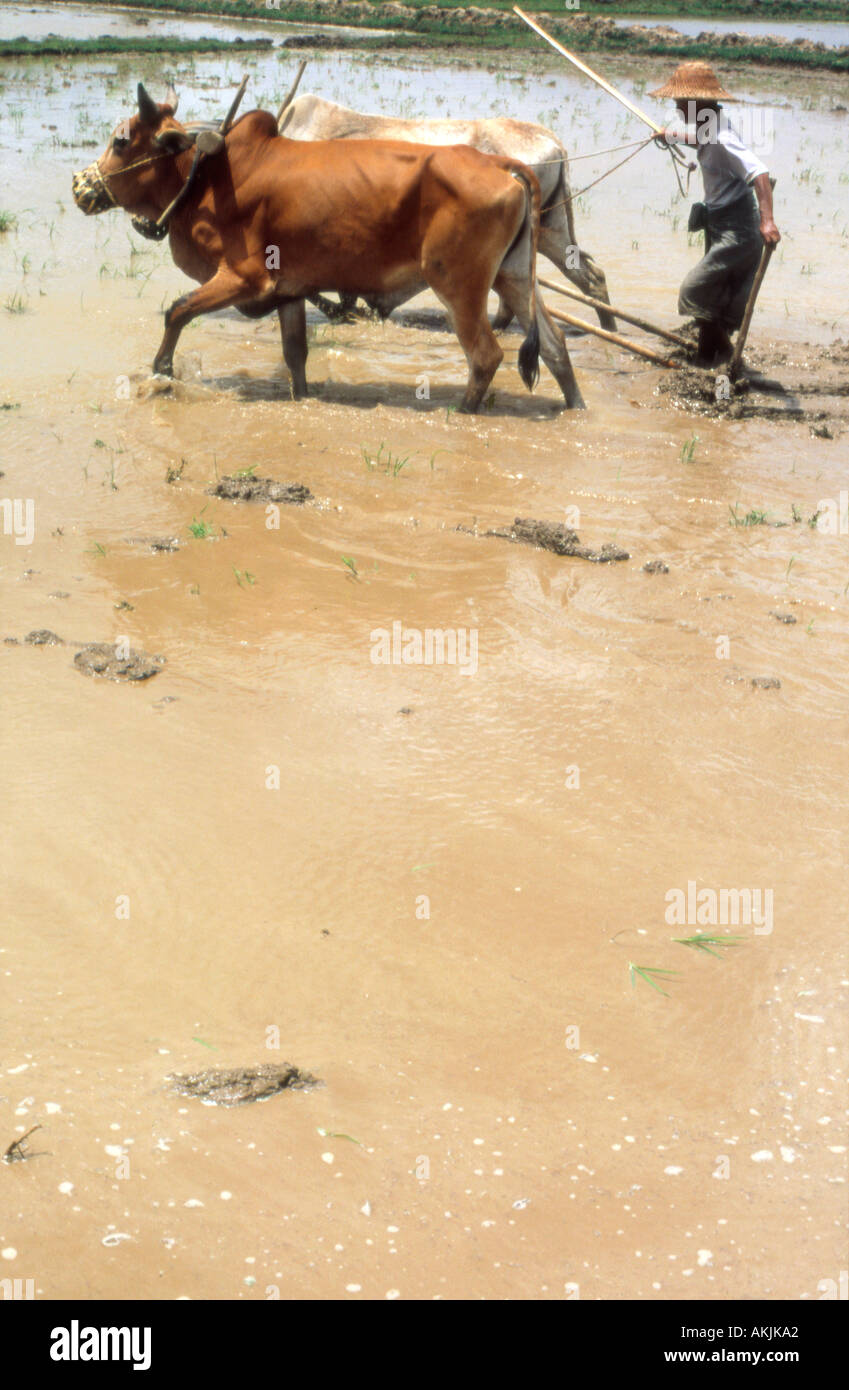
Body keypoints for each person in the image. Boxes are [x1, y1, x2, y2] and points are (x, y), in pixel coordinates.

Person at [652, 61, 781, 366]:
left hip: (738, 230)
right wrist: (672, 136)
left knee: (694, 290)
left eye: (681, 104)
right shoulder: (711, 126)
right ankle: (707, 353)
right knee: (716, 292)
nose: (678, 110)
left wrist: (768, 221)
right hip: (721, 222)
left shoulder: (722, 137)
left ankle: (724, 354)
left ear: (697, 105)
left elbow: (759, 173)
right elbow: (701, 142)